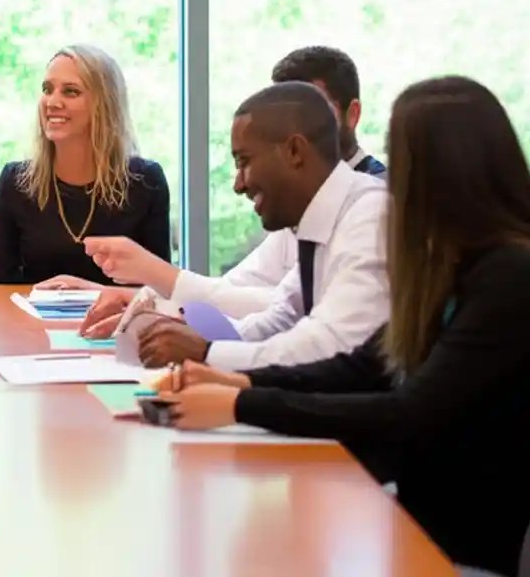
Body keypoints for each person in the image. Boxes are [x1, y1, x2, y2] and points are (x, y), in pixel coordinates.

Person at [151, 76, 530, 576]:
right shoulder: (453, 271)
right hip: (403, 528)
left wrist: (243, 400)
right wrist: (238, 381)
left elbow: (410, 412)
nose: (392, 186)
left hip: (451, 554)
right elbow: (361, 365)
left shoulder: (508, 277)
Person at [77, 46, 387, 334]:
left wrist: (156, 278)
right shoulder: (308, 206)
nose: (297, 130)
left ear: (353, 114)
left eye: (318, 114)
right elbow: (253, 299)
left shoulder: (374, 205)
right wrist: (158, 309)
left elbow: (305, 319)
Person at [130, 81, 389, 369]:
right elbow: (282, 317)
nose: (238, 185)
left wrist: (207, 352)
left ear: (294, 151)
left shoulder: (370, 216)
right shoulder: (319, 218)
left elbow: (332, 343)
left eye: (244, 162)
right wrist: (196, 339)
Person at [0, 44, 170, 285]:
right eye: (47, 89)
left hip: (117, 322)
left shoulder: (146, 182)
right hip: (29, 321)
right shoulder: (15, 182)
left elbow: (159, 291)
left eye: (70, 92)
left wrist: (92, 294)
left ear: (104, 104)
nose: (52, 102)